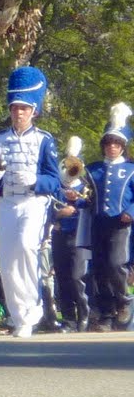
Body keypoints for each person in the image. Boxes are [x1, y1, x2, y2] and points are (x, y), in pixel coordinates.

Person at [0, 67, 60, 339]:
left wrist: (35, 180)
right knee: (8, 260)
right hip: (7, 203)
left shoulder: (44, 141)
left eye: (24, 108)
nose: (18, 113)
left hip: (33, 203)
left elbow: (55, 181)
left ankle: (32, 310)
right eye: (15, 108)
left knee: (27, 247)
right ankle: (19, 317)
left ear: (33, 111)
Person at [83, 113, 134, 332]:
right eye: (108, 142)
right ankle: (106, 312)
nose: (112, 146)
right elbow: (84, 195)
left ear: (123, 146)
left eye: (117, 143)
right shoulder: (92, 169)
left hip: (120, 224)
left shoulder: (131, 170)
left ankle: (123, 300)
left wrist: (131, 211)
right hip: (98, 223)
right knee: (100, 269)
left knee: (116, 264)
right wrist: (77, 198)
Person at [50, 138, 91, 332]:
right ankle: (68, 319)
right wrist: (57, 214)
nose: (70, 171)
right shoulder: (56, 188)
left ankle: (84, 315)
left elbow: (93, 206)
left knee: (77, 277)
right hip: (59, 235)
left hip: (79, 236)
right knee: (63, 277)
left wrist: (76, 205)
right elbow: (46, 210)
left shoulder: (85, 187)